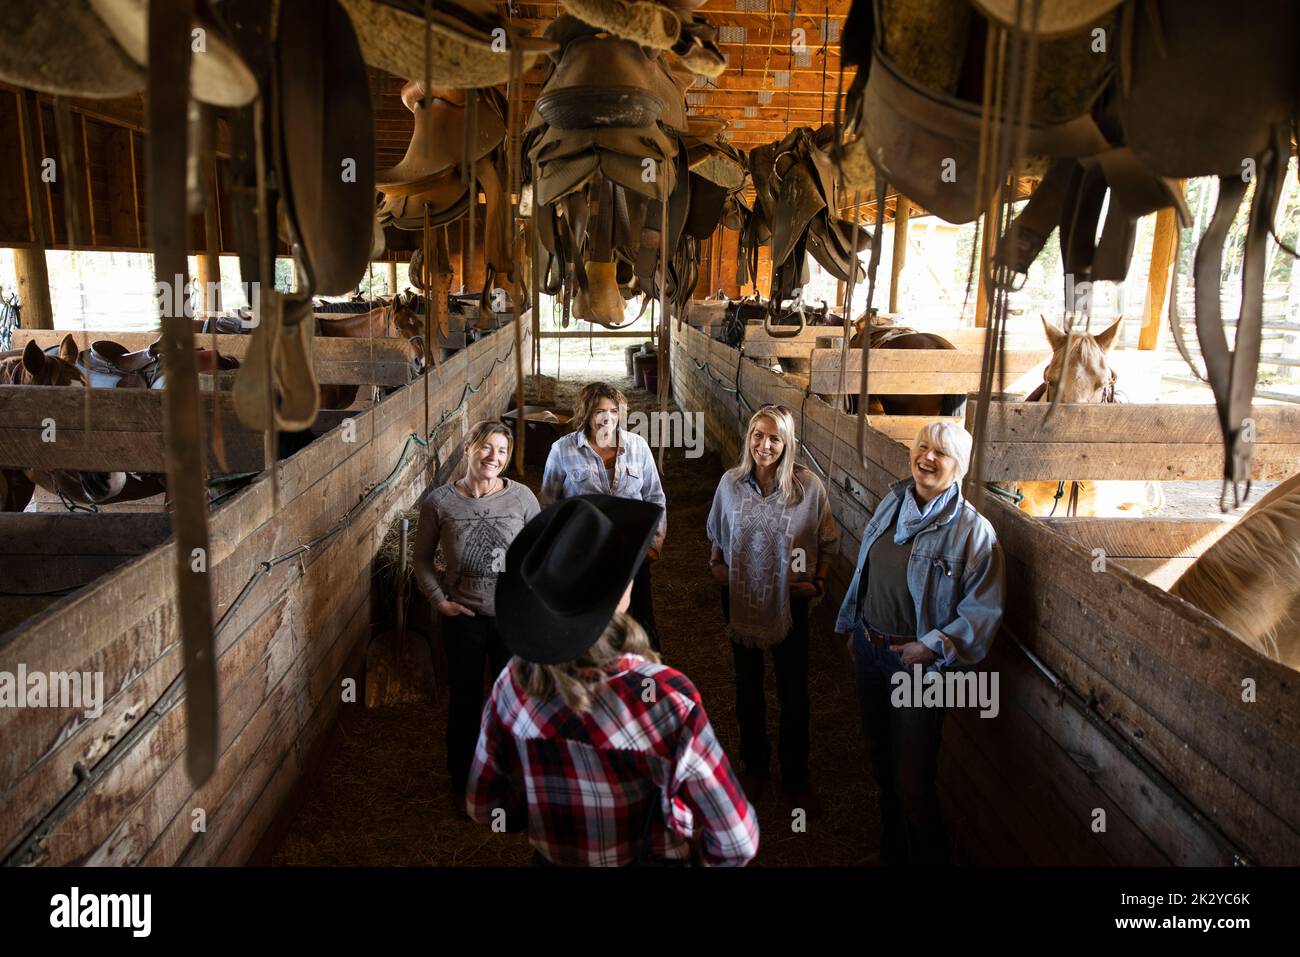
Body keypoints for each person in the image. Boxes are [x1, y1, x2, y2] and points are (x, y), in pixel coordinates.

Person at [466, 495, 759, 866]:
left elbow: (483, 805)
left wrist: (548, 811)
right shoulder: (667, 699)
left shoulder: (513, 682)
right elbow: (738, 842)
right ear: (622, 595)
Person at [835, 421, 1005, 866]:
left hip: (919, 670)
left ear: (959, 468)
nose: (927, 458)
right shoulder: (893, 502)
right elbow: (865, 570)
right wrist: (857, 627)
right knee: (881, 768)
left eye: (941, 454)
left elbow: (983, 613)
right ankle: (893, 856)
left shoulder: (974, 533)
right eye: (923, 448)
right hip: (872, 651)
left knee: (913, 783)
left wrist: (931, 647)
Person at [706, 404, 838, 812]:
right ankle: (755, 765)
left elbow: (828, 542)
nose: (765, 445)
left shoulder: (807, 487)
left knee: (793, 688)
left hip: (789, 600)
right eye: (758, 435)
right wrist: (717, 565)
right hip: (741, 596)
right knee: (747, 683)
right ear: (749, 437)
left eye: (775, 438)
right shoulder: (730, 483)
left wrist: (816, 582)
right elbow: (718, 533)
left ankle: (797, 776)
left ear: (787, 443)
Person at [414, 420, 540, 805]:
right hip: (464, 617)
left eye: (502, 451)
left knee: (513, 699)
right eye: (487, 447)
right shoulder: (439, 503)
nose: (494, 457)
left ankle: (511, 780)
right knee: (465, 699)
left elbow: (540, 553)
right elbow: (421, 560)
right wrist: (439, 600)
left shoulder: (521, 499)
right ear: (468, 447)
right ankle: (464, 780)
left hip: (511, 619)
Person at [539, 381, 667, 649]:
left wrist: (653, 544)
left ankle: (646, 684)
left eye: (613, 410)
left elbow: (655, 497)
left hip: (633, 551)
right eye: (599, 411)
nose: (607, 417)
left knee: (641, 623)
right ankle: (592, 682)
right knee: (590, 621)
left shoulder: (637, 446)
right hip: (586, 553)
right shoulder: (563, 451)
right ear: (586, 413)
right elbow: (549, 505)